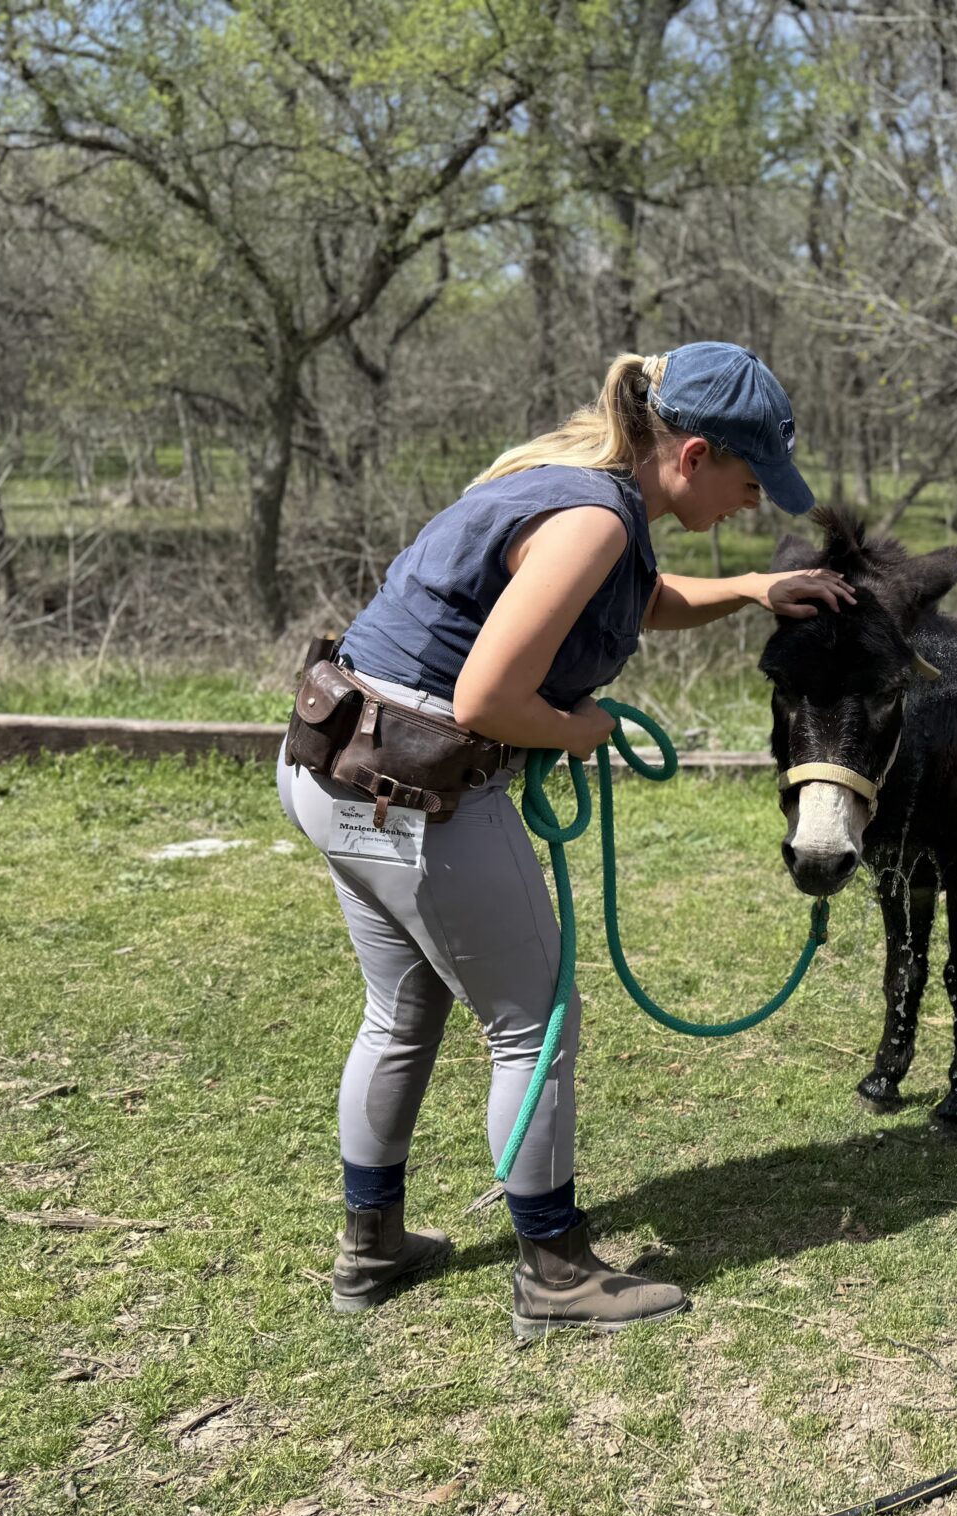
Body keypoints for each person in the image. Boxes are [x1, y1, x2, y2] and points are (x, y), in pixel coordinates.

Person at [276, 343, 854, 1339]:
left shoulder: (577, 489)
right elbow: (486, 699)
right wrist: (578, 730)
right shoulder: (595, 521)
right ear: (694, 455)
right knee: (535, 1023)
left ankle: (371, 1246)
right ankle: (553, 1272)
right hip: (418, 795)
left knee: (401, 1013)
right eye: (750, 480)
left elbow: (641, 600)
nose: (754, 502)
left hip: (336, 767)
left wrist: (754, 588)